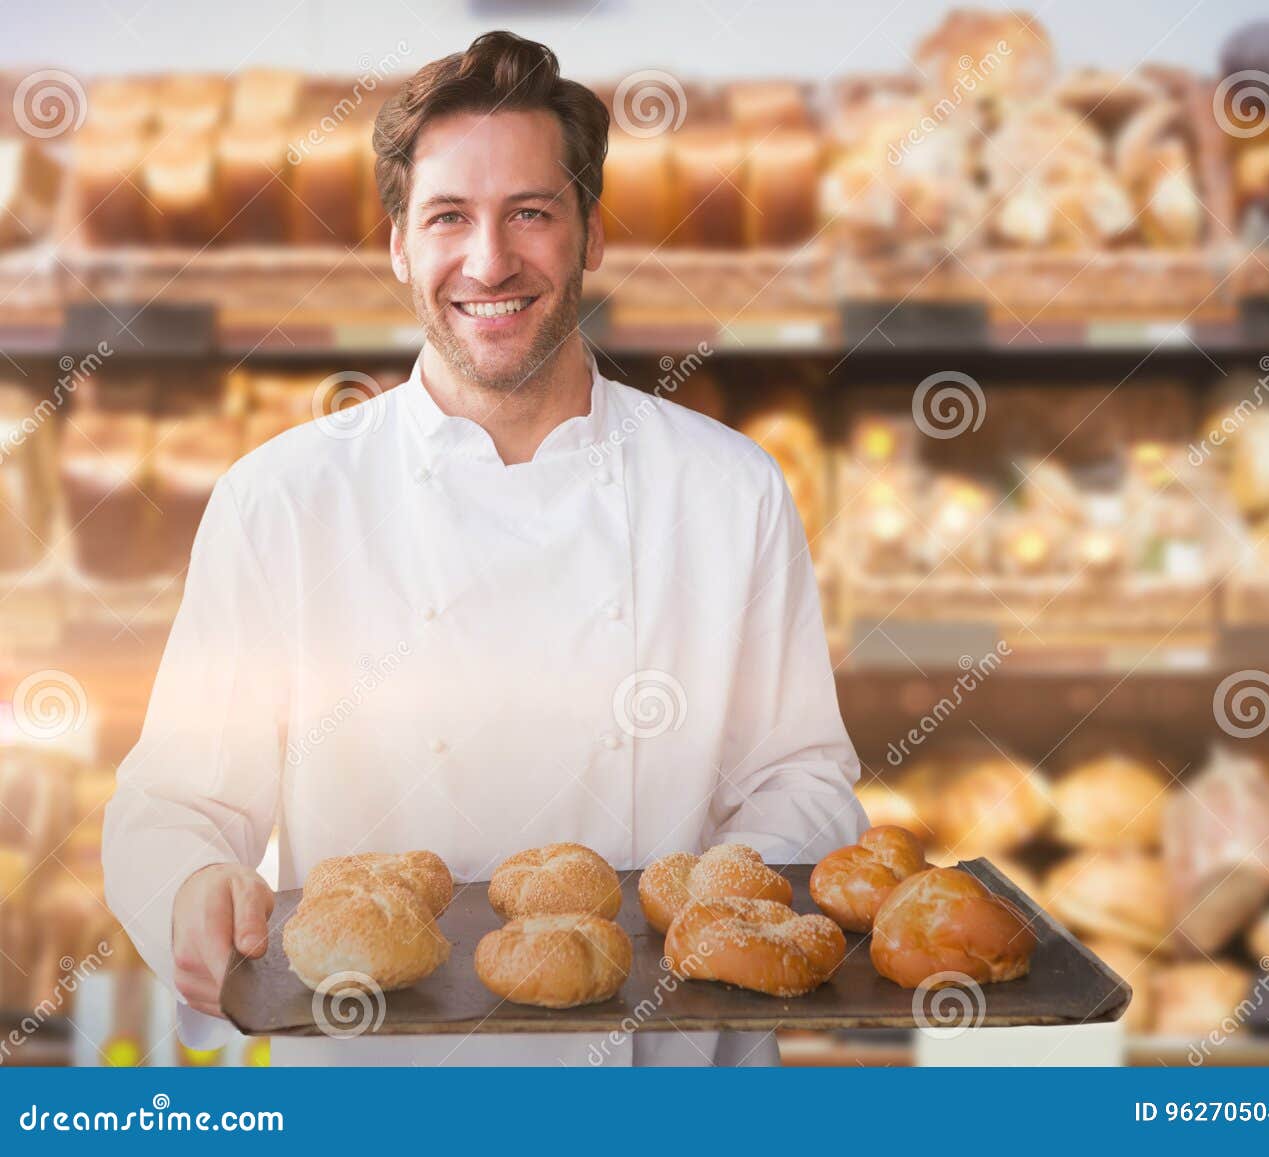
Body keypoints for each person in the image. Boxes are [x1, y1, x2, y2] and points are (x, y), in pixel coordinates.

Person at [102, 30, 867, 1066]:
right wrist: (190, 886)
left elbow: (804, 776)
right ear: (398, 246)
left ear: (592, 232)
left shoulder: (729, 489)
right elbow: (175, 799)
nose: (489, 261)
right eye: (449, 217)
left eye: (531, 214)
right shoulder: (280, 502)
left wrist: (718, 896)